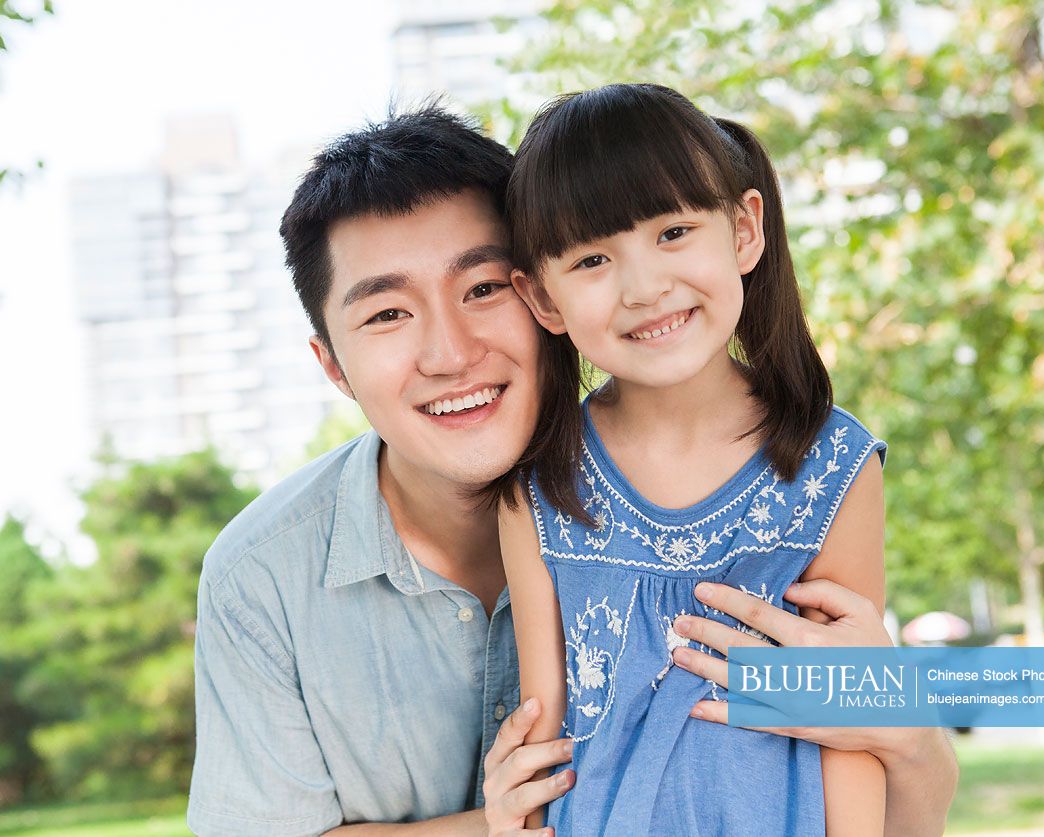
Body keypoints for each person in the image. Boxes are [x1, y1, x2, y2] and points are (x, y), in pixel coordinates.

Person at [186, 104, 958, 837]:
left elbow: (856, 737)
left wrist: (908, 734)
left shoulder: (825, 468)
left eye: (481, 287)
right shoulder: (263, 578)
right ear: (332, 365)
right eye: (387, 313)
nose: (450, 353)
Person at [493, 83, 885, 836]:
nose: (645, 287)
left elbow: (854, 723)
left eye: (673, 232)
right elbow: (542, 733)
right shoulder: (539, 488)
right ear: (542, 299)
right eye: (592, 259)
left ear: (743, 231)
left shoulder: (831, 465)